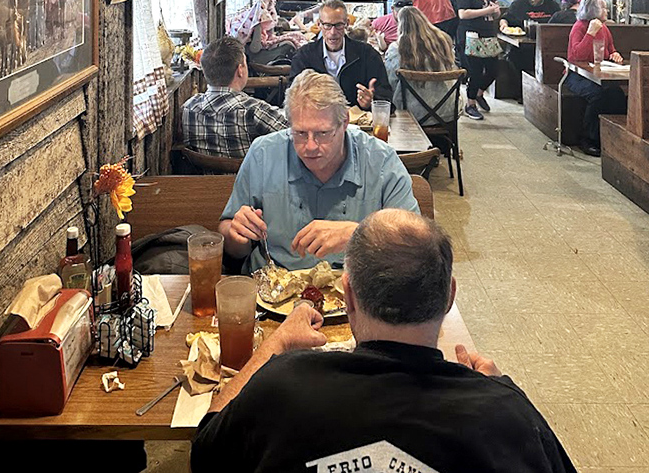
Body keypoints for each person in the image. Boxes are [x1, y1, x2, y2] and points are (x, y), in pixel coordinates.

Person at [192, 210, 577, 473]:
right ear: (449, 297)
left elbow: (205, 453)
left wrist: (272, 348)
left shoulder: (281, 385)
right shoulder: (510, 418)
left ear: (350, 297)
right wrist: (498, 390)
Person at [218, 70, 420, 271]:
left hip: (354, 290)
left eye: (323, 133)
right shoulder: (263, 153)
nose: (311, 146)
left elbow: (414, 245)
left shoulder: (382, 161)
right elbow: (231, 243)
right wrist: (237, 235)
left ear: (345, 123)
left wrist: (358, 235)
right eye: (300, 133)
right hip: (272, 287)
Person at [181, 36, 288, 157]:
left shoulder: (188, 108)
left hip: (204, 175)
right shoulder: (254, 110)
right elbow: (293, 137)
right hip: (250, 175)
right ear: (240, 70)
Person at [289, 0, 392, 108]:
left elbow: (386, 98)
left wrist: (372, 102)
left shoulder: (368, 54)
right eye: (327, 25)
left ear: (347, 24)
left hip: (358, 122)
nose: (333, 32)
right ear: (319, 24)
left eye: (338, 25)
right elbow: (293, 97)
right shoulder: (304, 56)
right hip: (317, 120)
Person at [565, 0, 627, 156]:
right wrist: (590, 33)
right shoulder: (579, 27)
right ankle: (588, 139)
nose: (607, 11)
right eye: (603, 8)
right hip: (575, 75)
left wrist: (615, 55)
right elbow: (577, 55)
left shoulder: (604, 28)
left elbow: (611, 50)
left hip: (599, 74)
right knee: (597, 95)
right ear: (593, 10)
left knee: (618, 94)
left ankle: (616, 138)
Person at [385, 6, 458, 126]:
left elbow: (390, 83)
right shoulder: (443, 41)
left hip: (411, 114)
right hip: (447, 112)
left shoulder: (397, 50)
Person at [456, 0, 502, 120]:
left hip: (489, 33)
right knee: (475, 71)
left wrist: (495, 12)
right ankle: (470, 104)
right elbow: (463, 14)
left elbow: (494, 12)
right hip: (471, 35)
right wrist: (486, 11)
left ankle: (479, 92)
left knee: (493, 69)